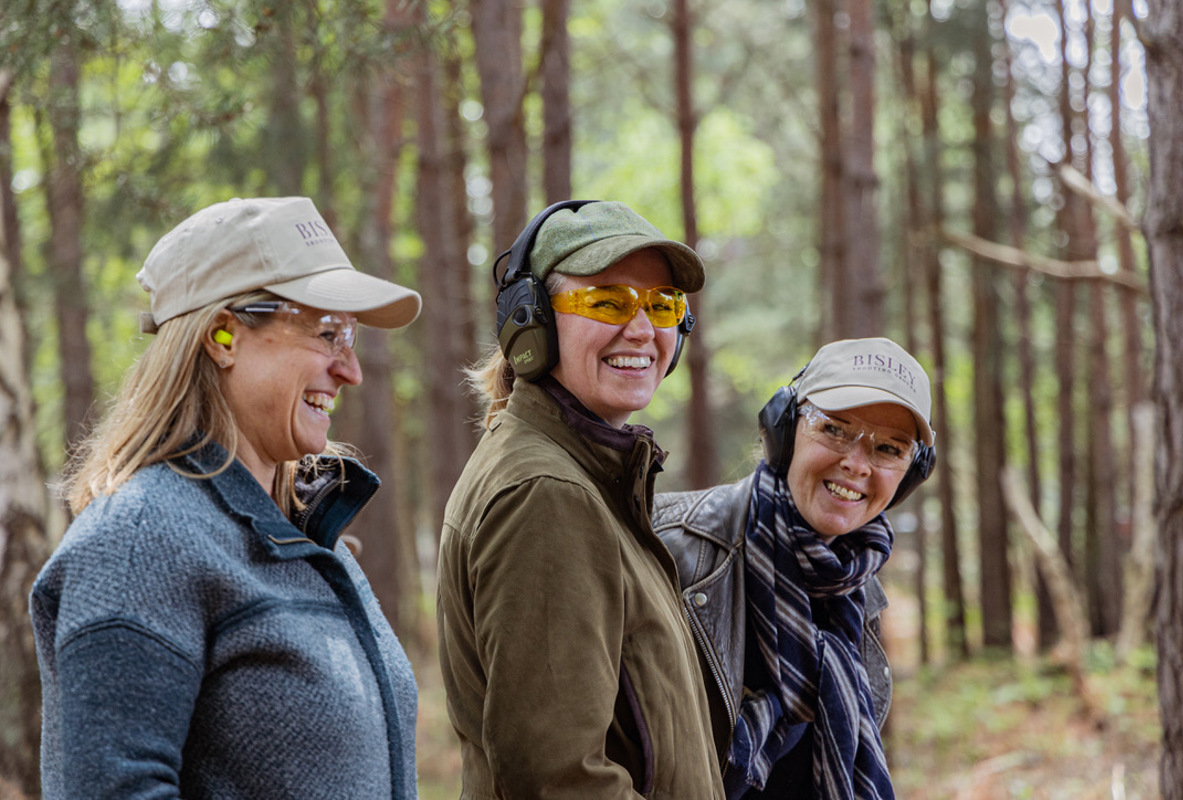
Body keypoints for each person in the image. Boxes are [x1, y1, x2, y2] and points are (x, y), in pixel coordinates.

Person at [30, 197, 424, 800]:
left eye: (350, 337)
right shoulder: (138, 541)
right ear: (223, 335)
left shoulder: (306, 540)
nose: (351, 370)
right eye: (327, 334)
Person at [437, 200, 725, 798]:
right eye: (607, 302)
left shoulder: (582, 476)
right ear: (532, 322)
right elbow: (560, 779)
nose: (642, 329)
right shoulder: (547, 495)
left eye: (662, 305)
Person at [653, 337, 937, 800]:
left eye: (889, 448)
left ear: (911, 474)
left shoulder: (855, 582)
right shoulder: (667, 547)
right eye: (835, 429)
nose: (856, 464)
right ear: (783, 428)